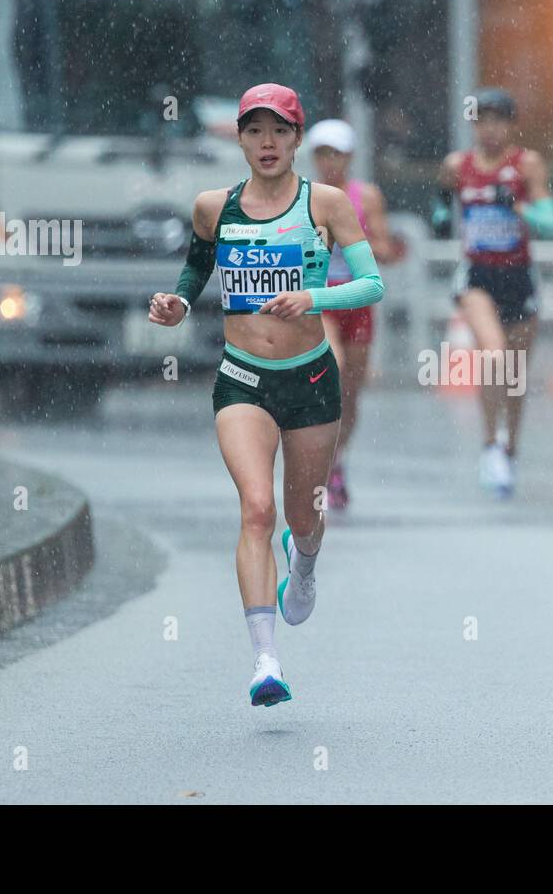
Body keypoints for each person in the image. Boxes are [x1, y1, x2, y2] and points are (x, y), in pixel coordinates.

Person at [148, 84, 385, 707]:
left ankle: (303, 563)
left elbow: (371, 283)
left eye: (279, 132)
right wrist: (175, 304)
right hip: (243, 378)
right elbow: (197, 269)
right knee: (257, 507)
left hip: (309, 378)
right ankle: (264, 660)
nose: (267, 144)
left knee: (302, 517)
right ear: (241, 140)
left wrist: (314, 298)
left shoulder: (325, 204)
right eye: (255, 132)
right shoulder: (212, 206)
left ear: (297, 138)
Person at [434, 87, 553, 498]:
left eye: (498, 120)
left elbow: (551, 222)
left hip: (519, 277)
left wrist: (518, 207)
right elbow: (440, 212)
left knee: (515, 375)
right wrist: (440, 208)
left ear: (510, 124)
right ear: (473, 124)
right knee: (493, 356)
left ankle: (510, 448)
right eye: (482, 120)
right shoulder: (458, 165)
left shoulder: (526, 165)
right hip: (477, 277)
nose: (490, 129)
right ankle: (489, 445)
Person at [304, 119, 399, 509]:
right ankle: (318, 464)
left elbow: (385, 248)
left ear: (350, 157)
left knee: (351, 392)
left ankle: (337, 462)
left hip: (357, 303)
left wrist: (360, 242)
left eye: (338, 154)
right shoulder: (303, 197)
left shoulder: (366, 196)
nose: (331, 162)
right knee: (334, 370)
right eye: (323, 153)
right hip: (321, 301)